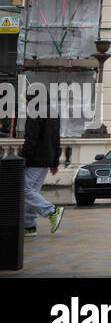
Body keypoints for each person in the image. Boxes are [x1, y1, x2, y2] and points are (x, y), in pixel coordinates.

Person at [21, 88, 64, 237]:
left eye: (27, 99)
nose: (26, 102)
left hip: (35, 159)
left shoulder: (35, 112)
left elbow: (30, 139)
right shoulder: (53, 112)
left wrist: (24, 157)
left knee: (24, 190)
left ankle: (51, 211)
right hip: (47, 160)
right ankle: (29, 226)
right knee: (32, 193)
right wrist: (54, 161)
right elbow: (56, 139)